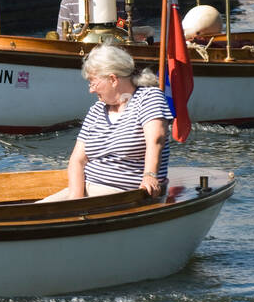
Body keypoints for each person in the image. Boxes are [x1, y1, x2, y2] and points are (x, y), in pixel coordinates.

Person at [42, 45, 171, 201]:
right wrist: (76, 198)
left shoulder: (149, 97)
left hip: (124, 195)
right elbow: (77, 160)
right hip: (86, 189)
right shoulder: (96, 110)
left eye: (93, 82)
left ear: (113, 79)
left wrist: (150, 175)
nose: (91, 90)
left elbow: (156, 139)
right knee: (32, 214)